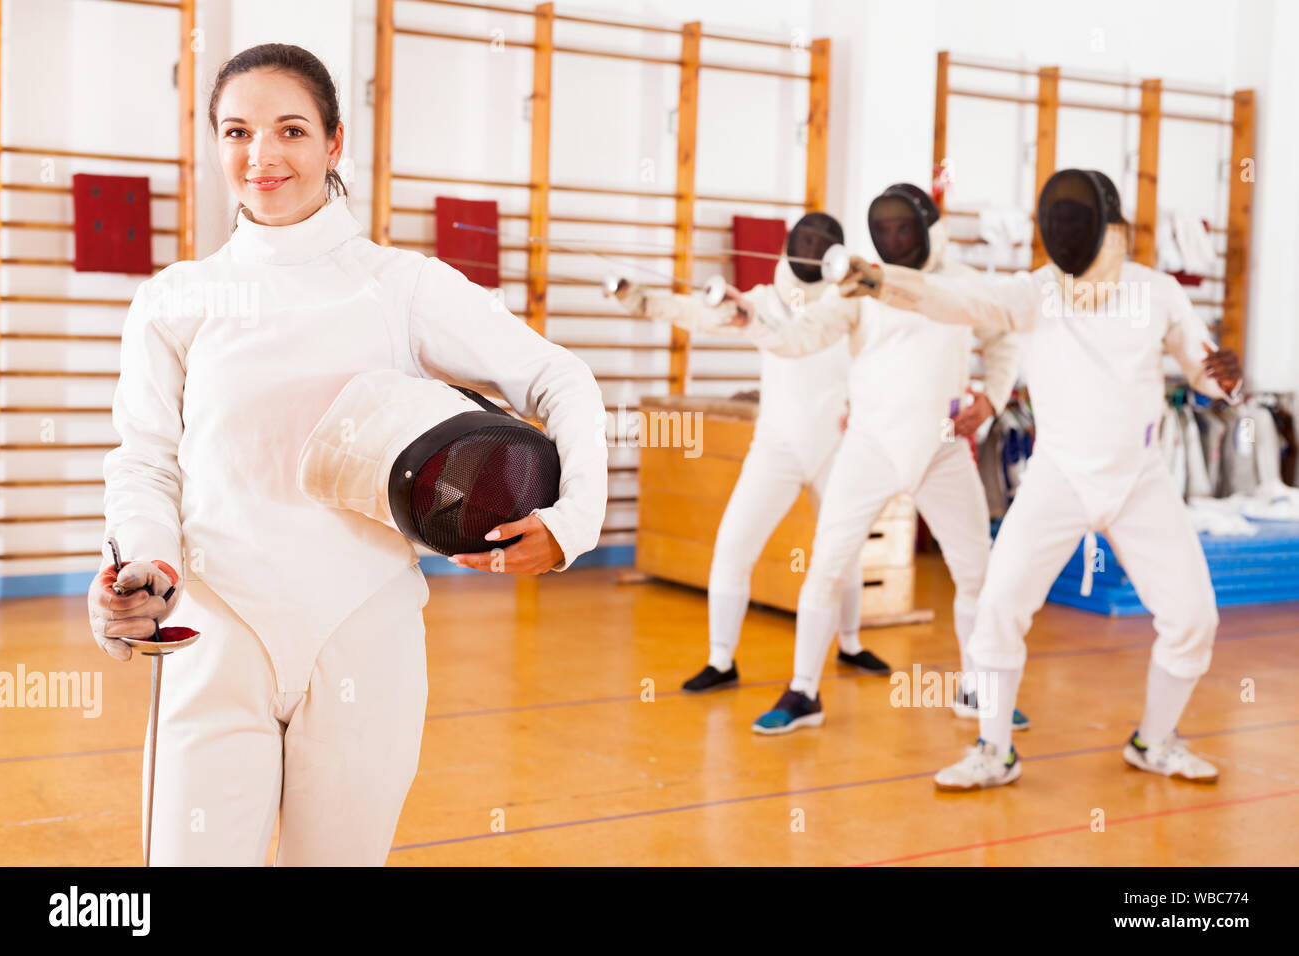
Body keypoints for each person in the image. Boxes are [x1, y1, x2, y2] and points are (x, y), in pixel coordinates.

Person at [86, 43, 607, 865]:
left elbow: (561, 378)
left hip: (365, 632)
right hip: (213, 630)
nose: (262, 155)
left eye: (290, 130)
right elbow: (146, 462)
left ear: (333, 144)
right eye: (237, 132)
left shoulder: (400, 287)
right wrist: (140, 562)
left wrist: (572, 521)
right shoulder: (175, 299)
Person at [834, 169, 1241, 789]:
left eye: (1080, 220)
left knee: (1193, 616)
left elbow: (1207, 369)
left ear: (1108, 226)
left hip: (1140, 478)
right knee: (998, 605)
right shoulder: (1033, 294)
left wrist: (1225, 378)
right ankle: (994, 751)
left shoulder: (1156, 292)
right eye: (1060, 220)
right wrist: (881, 280)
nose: (1068, 232)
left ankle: (1154, 741)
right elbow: (954, 300)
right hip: (1059, 475)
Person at [722, 184, 1024, 735]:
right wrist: (753, 322)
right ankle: (804, 693)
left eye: (903, 230)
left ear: (929, 229)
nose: (893, 240)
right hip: (868, 446)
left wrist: (993, 398)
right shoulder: (861, 286)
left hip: (942, 446)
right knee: (826, 566)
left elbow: (1002, 338)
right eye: (883, 231)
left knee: (976, 571)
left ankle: (978, 684)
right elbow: (802, 338)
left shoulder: (961, 286)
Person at [608, 212, 889, 703]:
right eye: (806, 240)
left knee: (842, 554)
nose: (812, 249)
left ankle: (850, 644)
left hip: (837, 447)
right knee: (734, 545)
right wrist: (640, 297)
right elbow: (697, 313)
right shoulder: (759, 301)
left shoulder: (850, 306)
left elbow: (879, 361)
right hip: (776, 447)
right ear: (789, 246)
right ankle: (721, 660)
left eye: (822, 244)